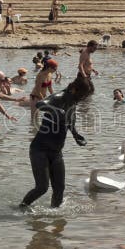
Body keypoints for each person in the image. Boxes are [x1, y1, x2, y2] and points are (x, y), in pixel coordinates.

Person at [20, 77, 92, 208]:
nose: (82, 99)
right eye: (82, 96)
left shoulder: (73, 102)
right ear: (74, 89)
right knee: (42, 187)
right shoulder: (59, 97)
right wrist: (54, 110)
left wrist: (76, 136)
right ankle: (22, 207)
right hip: (39, 150)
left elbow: (71, 121)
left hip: (56, 152)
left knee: (59, 189)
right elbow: (40, 104)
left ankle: (56, 219)